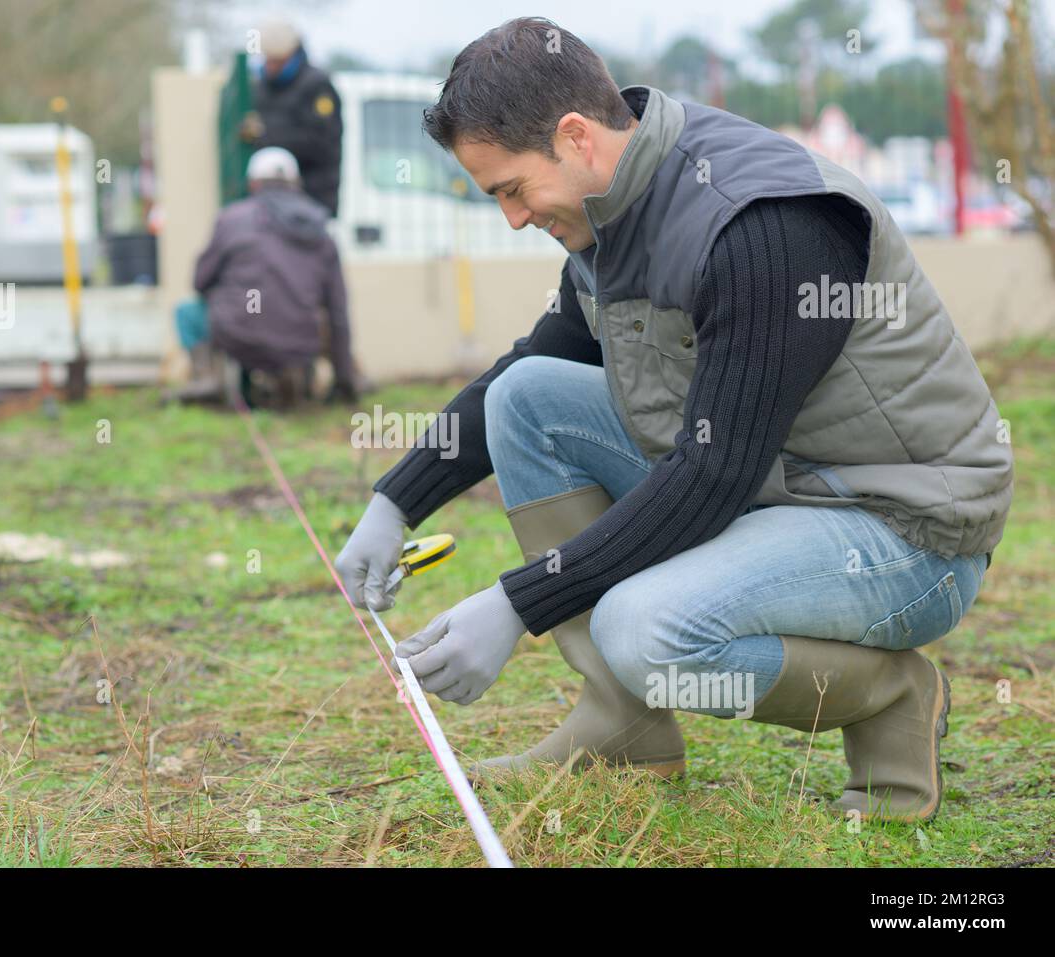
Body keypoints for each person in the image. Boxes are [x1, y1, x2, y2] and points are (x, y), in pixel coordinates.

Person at [334, 18, 1013, 823]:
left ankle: (891, 696)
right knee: (530, 398)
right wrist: (397, 500)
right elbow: (535, 362)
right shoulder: (616, 209)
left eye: (512, 189)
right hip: (779, 486)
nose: (513, 218)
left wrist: (517, 604)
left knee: (647, 628)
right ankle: (623, 723)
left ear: (576, 136)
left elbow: (712, 476)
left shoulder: (759, 225)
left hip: (902, 530)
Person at [189, 147, 358, 408]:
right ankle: (293, 376)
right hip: (302, 340)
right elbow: (338, 309)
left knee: (187, 312)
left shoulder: (231, 219)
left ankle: (208, 380)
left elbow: (200, 282)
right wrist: (345, 381)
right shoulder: (321, 229)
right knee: (317, 314)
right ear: (296, 183)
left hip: (238, 336)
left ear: (253, 183)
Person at [241, 17, 342, 219]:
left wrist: (264, 135)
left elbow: (319, 142)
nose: (270, 66)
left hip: (312, 197)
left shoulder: (317, 86)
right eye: (267, 60)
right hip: (270, 198)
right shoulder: (263, 86)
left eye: (276, 61)